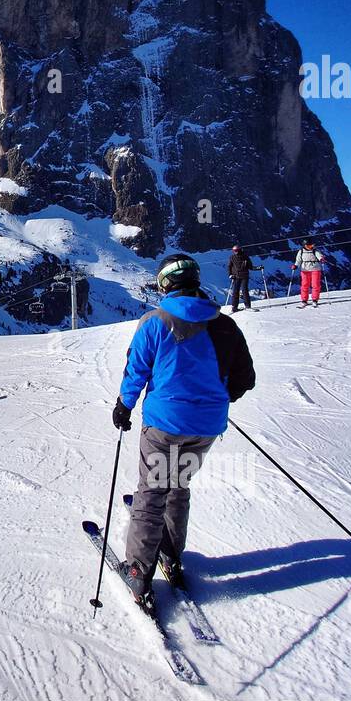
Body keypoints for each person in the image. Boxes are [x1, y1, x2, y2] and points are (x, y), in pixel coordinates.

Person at [112, 255, 255, 613]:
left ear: (164, 286)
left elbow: (136, 371)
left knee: (152, 493)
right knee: (178, 486)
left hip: (164, 426)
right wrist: (215, 400)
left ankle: (138, 571)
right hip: (204, 428)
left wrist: (123, 406)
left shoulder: (155, 322)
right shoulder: (225, 326)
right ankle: (172, 556)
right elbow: (244, 379)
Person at [226, 245, 262, 312]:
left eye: (236, 250)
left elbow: (250, 267)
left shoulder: (245, 257)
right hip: (236, 276)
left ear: (240, 250)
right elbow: (229, 267)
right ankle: (234, 307)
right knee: (235, 292)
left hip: (244, 276)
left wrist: (258, 268)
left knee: (245, 291)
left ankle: (247, 306)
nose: (235, 252)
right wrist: (230, 274)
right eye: (234, 251)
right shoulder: (232, 257)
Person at [291, 240, 327, 307]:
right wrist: (295, 266)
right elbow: (298, 260)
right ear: (305, 245)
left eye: (312, 245)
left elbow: (319, 256)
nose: (311, 247)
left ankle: (315, 299)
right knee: (304, 285)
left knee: (315, 285)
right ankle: (304, 300)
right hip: (305, 270)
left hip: (315, 269)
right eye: (309, 245)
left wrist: (321, 259)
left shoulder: (315, 251)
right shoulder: (301, 252)